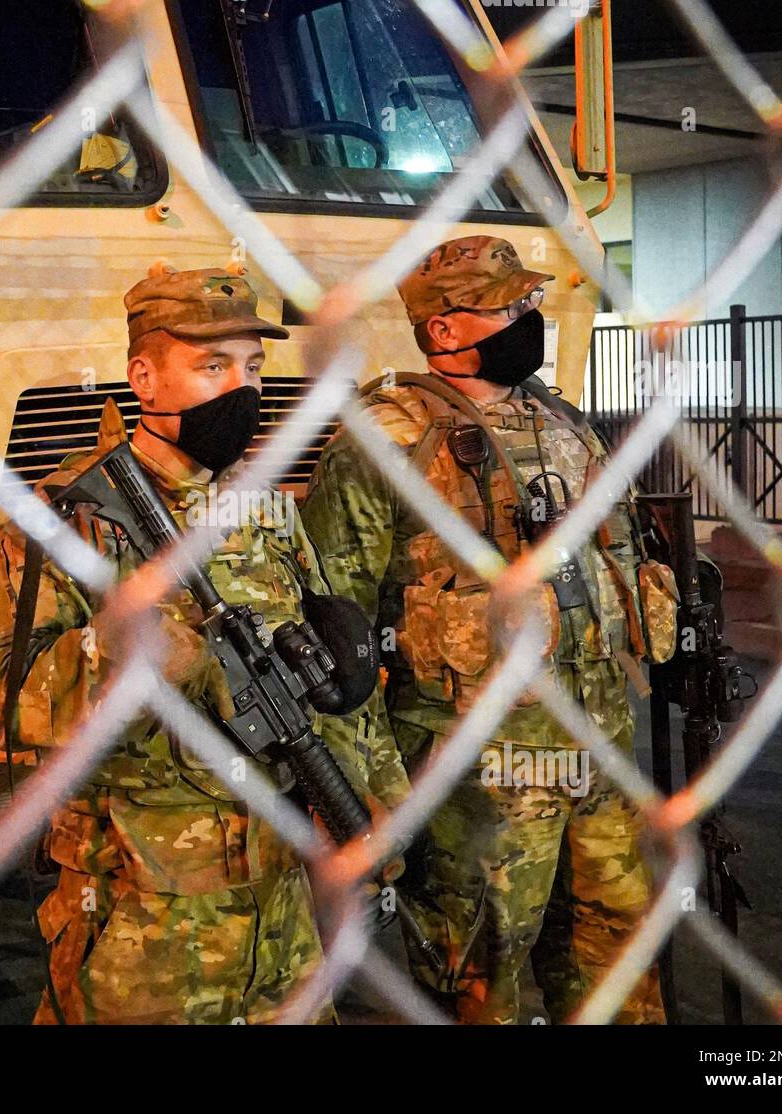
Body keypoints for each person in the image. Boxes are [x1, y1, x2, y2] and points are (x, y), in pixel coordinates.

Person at [0, 262, 408, 1024]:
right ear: (145, 378)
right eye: (212, 365)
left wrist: (375, 799)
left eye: (254, 367)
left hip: (284, 906)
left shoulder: (263, 505)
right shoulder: (71, 514)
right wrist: (122, 652)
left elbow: (317, 671)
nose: (243, 388)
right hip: (147, 919)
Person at [301, 236, 675, 1024]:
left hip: (598, 753)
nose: (528, 321)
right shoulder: (382, 439)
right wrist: (368, 790)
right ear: (442, 330)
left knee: (622, 972)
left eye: (528, 305)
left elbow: (622, 561)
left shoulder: (565, 423)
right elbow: (335, 636)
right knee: (480, 990)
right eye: (508, 309)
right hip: (476, 781)